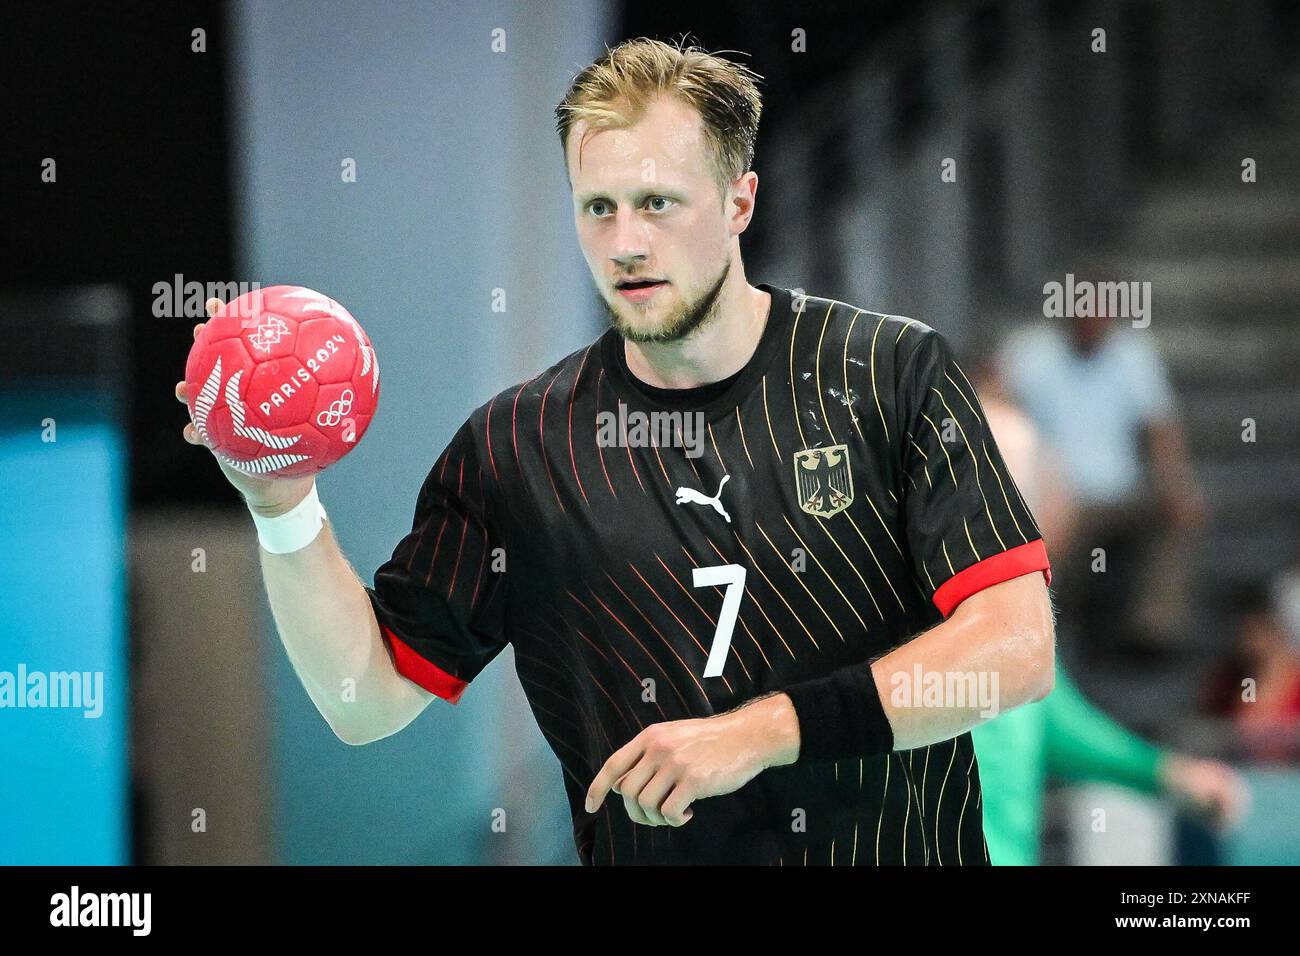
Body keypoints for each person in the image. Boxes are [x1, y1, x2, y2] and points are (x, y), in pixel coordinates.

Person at [175, 37, 1054, 865]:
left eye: (657, 203)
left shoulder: (886, 372)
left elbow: (1015, 649)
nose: (625, 243)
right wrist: (278, 504)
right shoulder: (516, 448)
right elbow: (364, 700)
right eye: (598, 207)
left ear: (741, 200)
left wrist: (759, 733)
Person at [970, 353, 1246, 864]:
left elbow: (1052, 719)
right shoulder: (891, 612)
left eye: (1024, 489)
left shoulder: (1016, 618)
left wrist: (1164, 773)